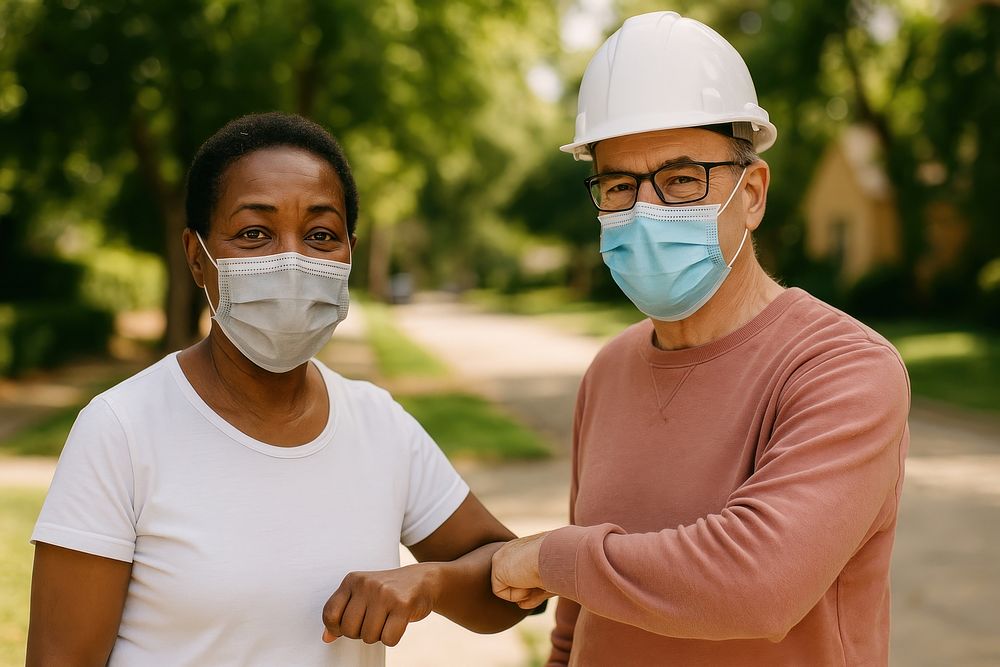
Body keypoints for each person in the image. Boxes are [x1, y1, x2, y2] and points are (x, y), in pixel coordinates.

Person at [27, 112, 533, 666]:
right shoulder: (122, 430)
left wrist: (430, 582)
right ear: (198, 258)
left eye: (320, 235)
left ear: (348, 255)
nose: (291, 260)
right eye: (254, 234)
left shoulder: (378, 425)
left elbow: (512, 585)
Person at [491, 11, 910, 666]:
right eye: (619, 185)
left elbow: (758, 585)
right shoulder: (608, 371)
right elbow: (578, 622)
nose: (646, 210)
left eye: (682, 179)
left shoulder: (843, 367)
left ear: (752, 193)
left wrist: (551, 556)